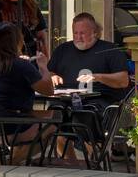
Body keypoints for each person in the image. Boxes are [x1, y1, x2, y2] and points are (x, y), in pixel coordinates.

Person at [48, 12, 132, 151]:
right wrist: (52, 76)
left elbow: (123, 81)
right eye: (75, 33)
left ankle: (93, 160)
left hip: (100, 102)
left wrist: (98, 77)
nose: (78, 37)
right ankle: (71, 163)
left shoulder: (110, 50)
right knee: (55, 113)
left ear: (95, 33)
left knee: (84, 115)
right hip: (66, 99)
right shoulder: (63, 50)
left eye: (83, 33)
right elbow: (49, 72)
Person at [0, 22, 58, 163]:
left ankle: (10, 161)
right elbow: (48, 90)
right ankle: (11, 162)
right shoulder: (20, 65)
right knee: (55, 123)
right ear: (16, 42)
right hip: (15, 127)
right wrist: (43, 66)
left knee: (46, 114)